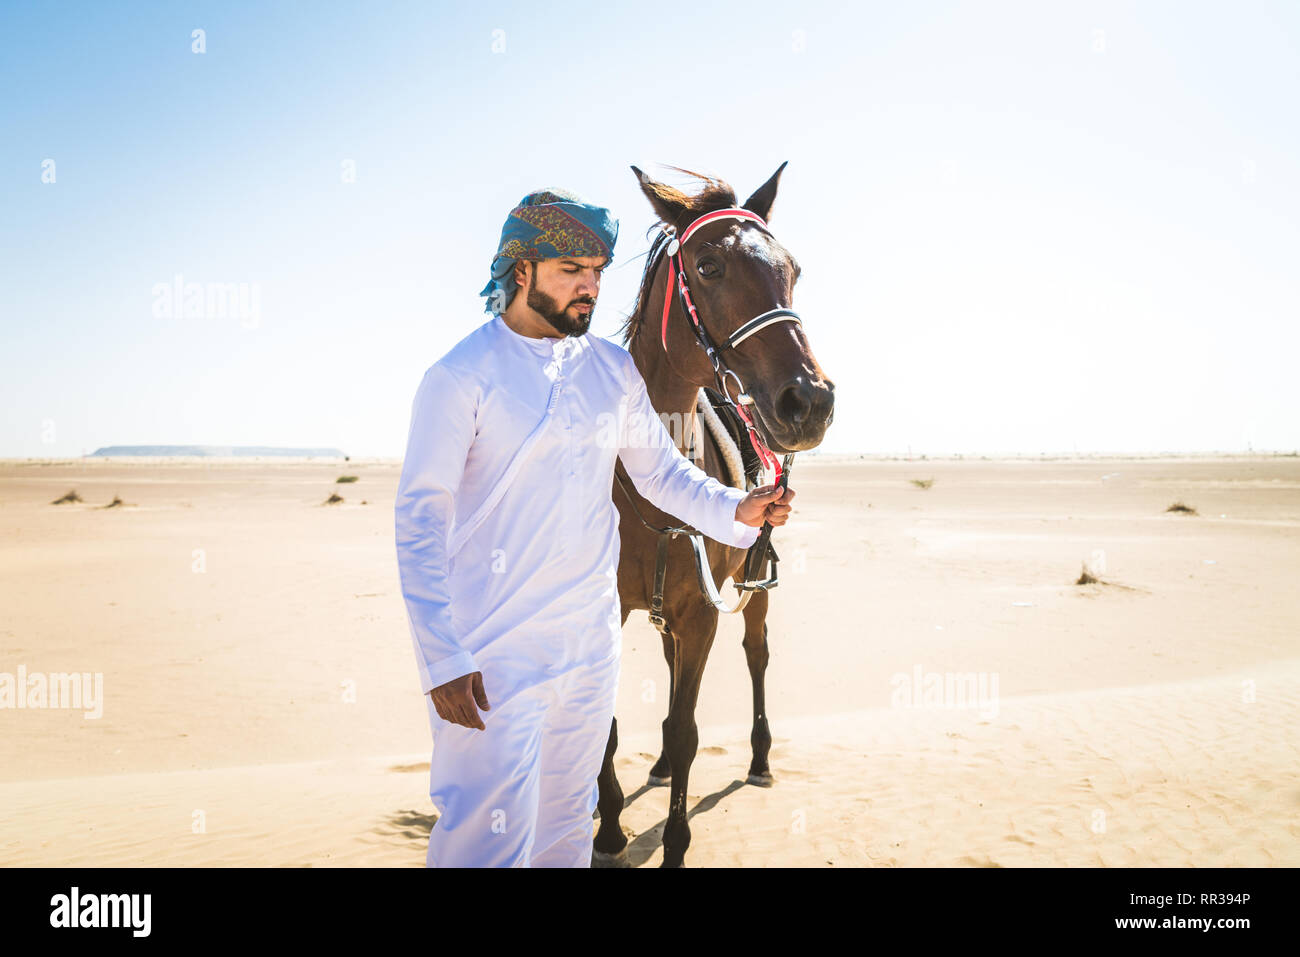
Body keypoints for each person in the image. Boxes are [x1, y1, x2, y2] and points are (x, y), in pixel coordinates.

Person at [394, 187, 795, 867]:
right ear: (521, 269)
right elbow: (419, 523)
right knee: (485, 842)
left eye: (598, 271)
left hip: (589, 649)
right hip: (492, 655)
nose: (590, 287)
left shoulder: (610, 370)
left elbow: (661, 473)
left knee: (566, 833)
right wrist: (442, 657)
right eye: (571, 270)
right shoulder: (460, 377)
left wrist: (735, 509)